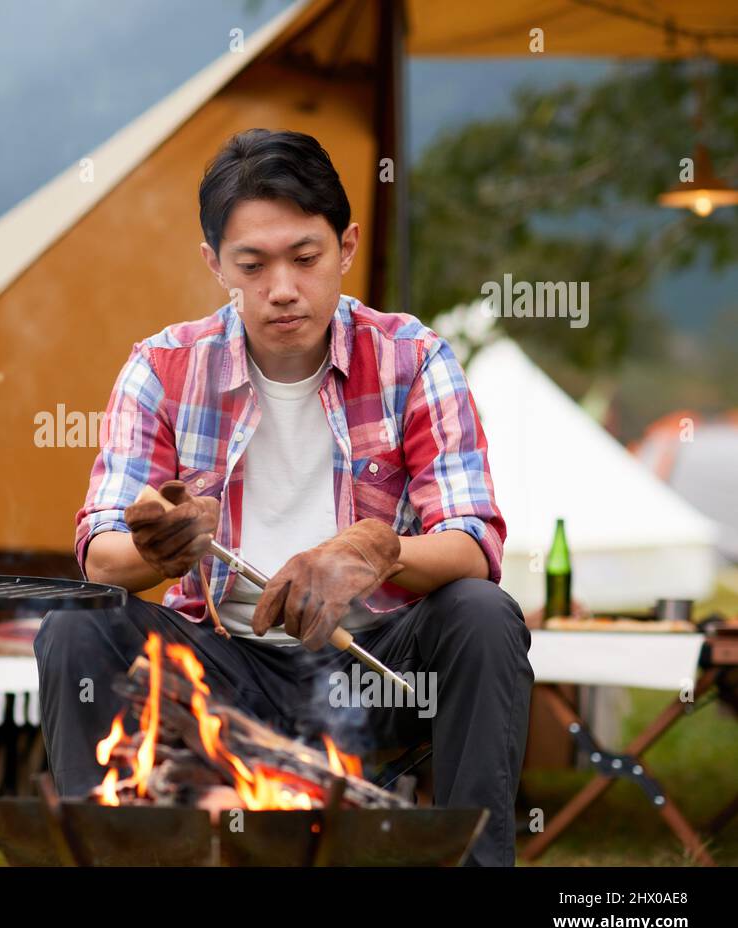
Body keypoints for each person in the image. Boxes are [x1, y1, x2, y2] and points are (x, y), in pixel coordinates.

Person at [34, 128, 533, 866]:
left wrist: (375, 549)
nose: (283, 289)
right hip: (215, 671)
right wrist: (155, 545)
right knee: (75, 630)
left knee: (483, 615)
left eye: (306, 257)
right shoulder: (162, 368)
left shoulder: (413, 357)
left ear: (348, 247)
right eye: (252, 264)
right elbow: (101, 561)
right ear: (214, 265)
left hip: (372, 671)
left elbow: (474, 543)